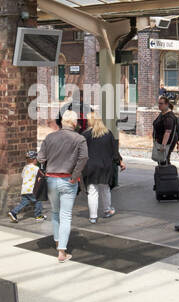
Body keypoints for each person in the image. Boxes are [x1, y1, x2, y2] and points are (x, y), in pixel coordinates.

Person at [37, 110, 87, 262]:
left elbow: (40, 157)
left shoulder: (50, 137)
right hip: (68, 181)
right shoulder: (80, 139)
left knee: (55, 212)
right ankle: (62, 252)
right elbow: (84, 158)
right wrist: (75, 175)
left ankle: (58, 242)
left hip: (51, 179)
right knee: (65, 215)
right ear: (74, 123)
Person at [83, 113, 124, 223]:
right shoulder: (108, 134)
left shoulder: (85, 135)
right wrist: (120, 162)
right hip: (105, 167)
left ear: (90, 121)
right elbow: (114, 152)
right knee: (105, 189)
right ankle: (107, 211)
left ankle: (93, 217)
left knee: (92, 191)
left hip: (90, 166)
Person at [8, 150, 45, 223]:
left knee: (24, 202)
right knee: (38, 199)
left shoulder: (25, 167)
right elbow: (41, 177)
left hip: (24, 189)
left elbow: (22, 176)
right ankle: (38, 215)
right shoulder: (36, 168)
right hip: (32, 189)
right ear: (35, 159)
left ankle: (13, 212)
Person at [151, 95, 179, 162]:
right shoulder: (162, 114)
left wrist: (163, 146)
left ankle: (167, 172)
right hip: (160, 141)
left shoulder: (169, 118)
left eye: (161, 103)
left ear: (167, 104)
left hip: (167, 143)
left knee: (164, 160)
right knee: (161, 160)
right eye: (158, 103)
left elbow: (167, 132)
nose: (159, 105)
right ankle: (162, 171)